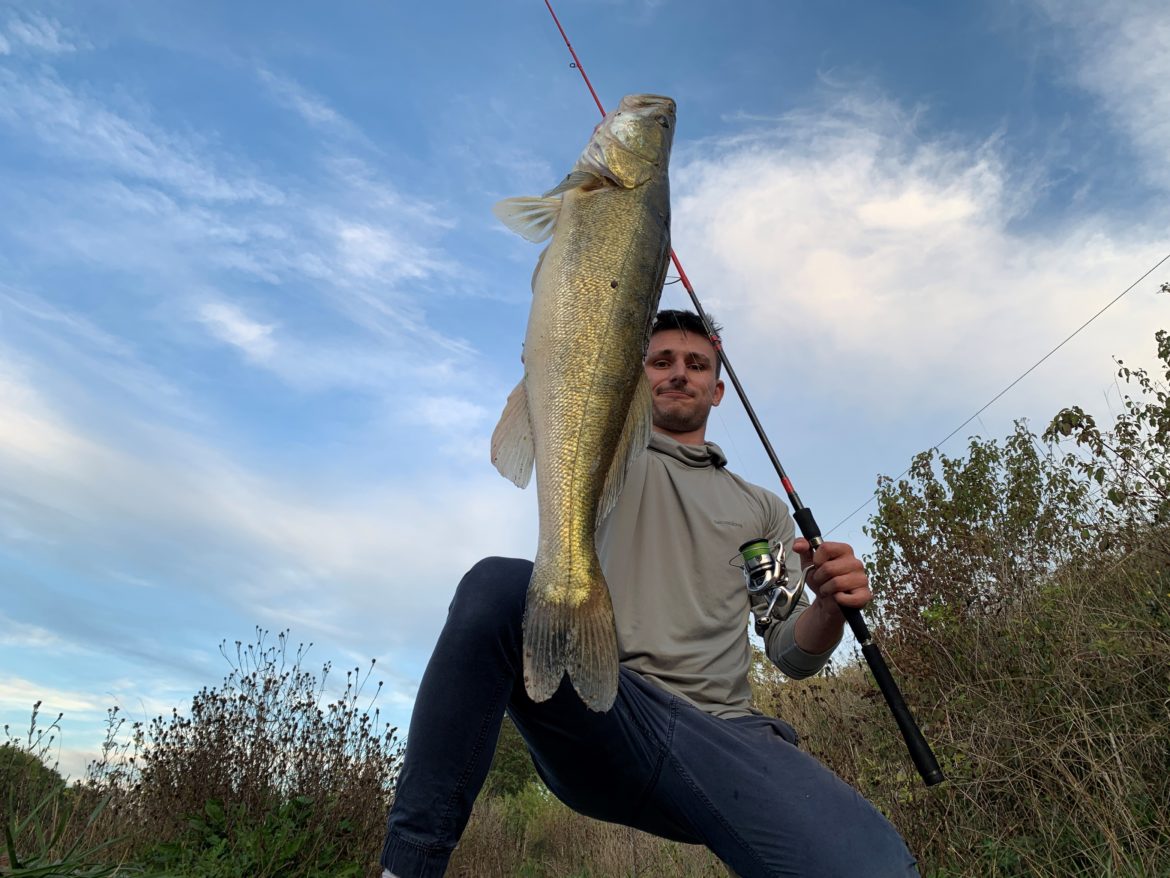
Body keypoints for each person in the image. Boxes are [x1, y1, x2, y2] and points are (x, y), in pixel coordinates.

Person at [380, 310, 918, 878]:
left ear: (717, 389)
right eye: (660, 362)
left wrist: (831, 608)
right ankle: (408, 866)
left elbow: (787, 646)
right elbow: (562, 374)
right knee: (495, 585)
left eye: (696, 364)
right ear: (633, 378)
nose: (678, 373)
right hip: (602, 708)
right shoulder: (595, 453)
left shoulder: (762, 510)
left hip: (722, 736)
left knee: (877, 865)